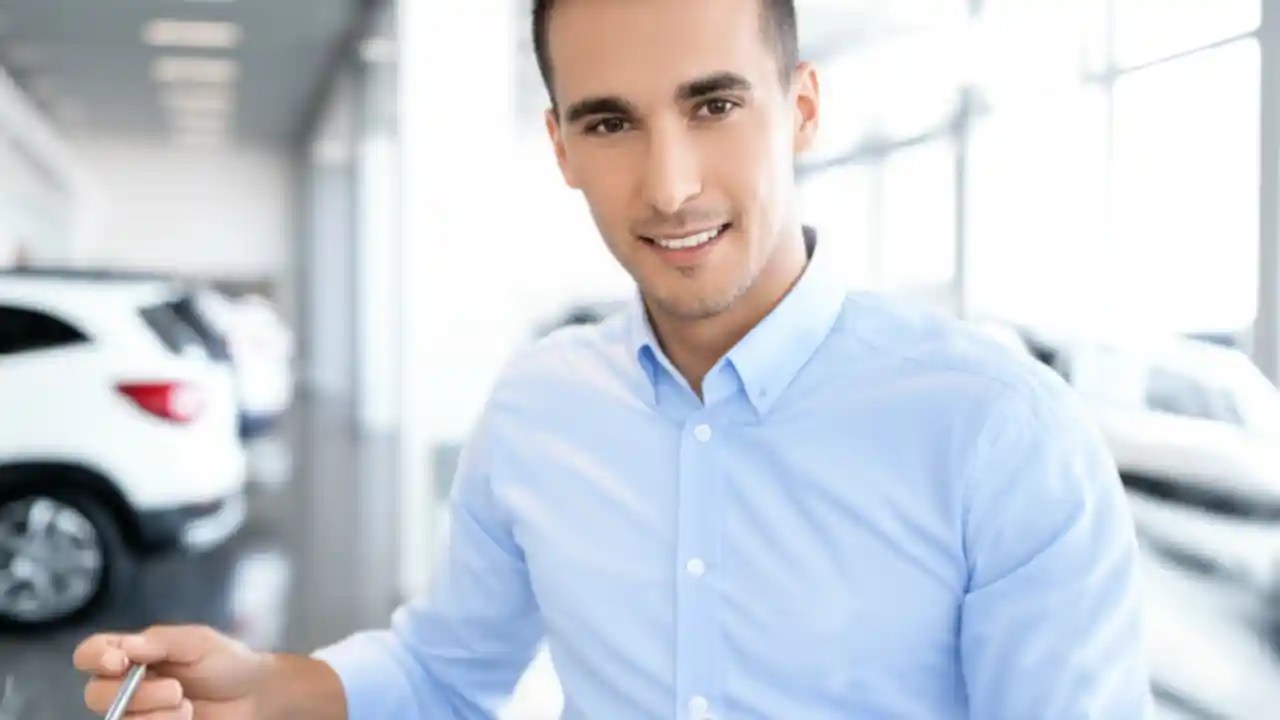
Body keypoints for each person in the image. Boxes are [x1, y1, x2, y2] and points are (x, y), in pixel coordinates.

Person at [76, 0, 1151, 717]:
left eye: (713, 104)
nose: (668, 184)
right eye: (609, 123)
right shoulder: (541, 407)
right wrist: (263, 684)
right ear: (559, 148)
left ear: (803, 110)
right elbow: (445, 670)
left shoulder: (999, 432)